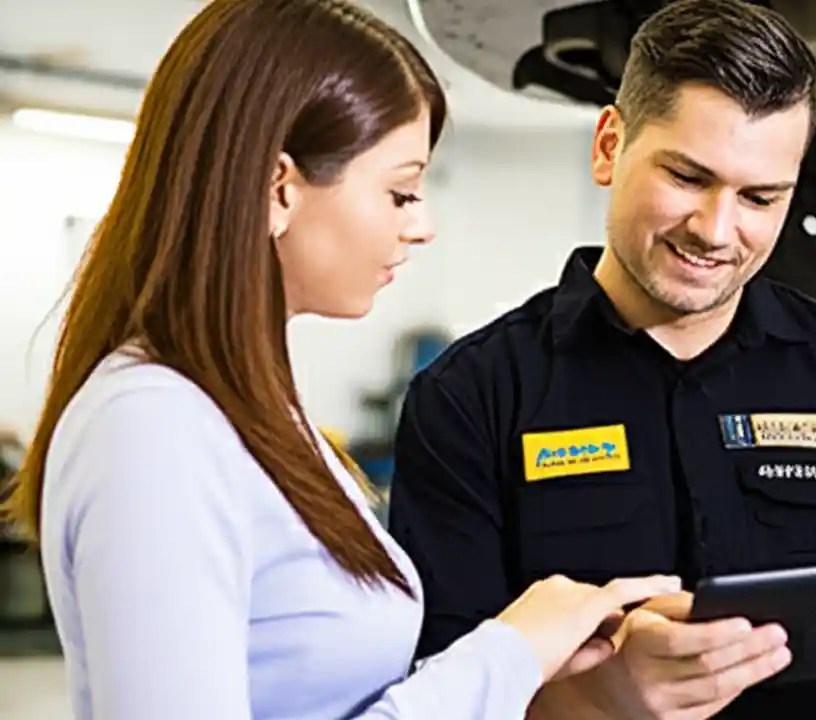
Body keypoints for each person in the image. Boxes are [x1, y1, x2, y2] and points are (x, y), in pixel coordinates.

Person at [386, 0, 816, 718]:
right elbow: (436, 692)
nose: (717, 230)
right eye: (686, 176)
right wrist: (597, 703)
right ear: (609, 146)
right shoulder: (472, 396)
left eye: (759, 197)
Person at [0, 1, 681, 718]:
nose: (422, 226)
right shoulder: (154, 430)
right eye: (401, 191)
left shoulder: (249, 416)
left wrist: (531, 665)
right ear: (279, 188)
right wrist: (508, 652)